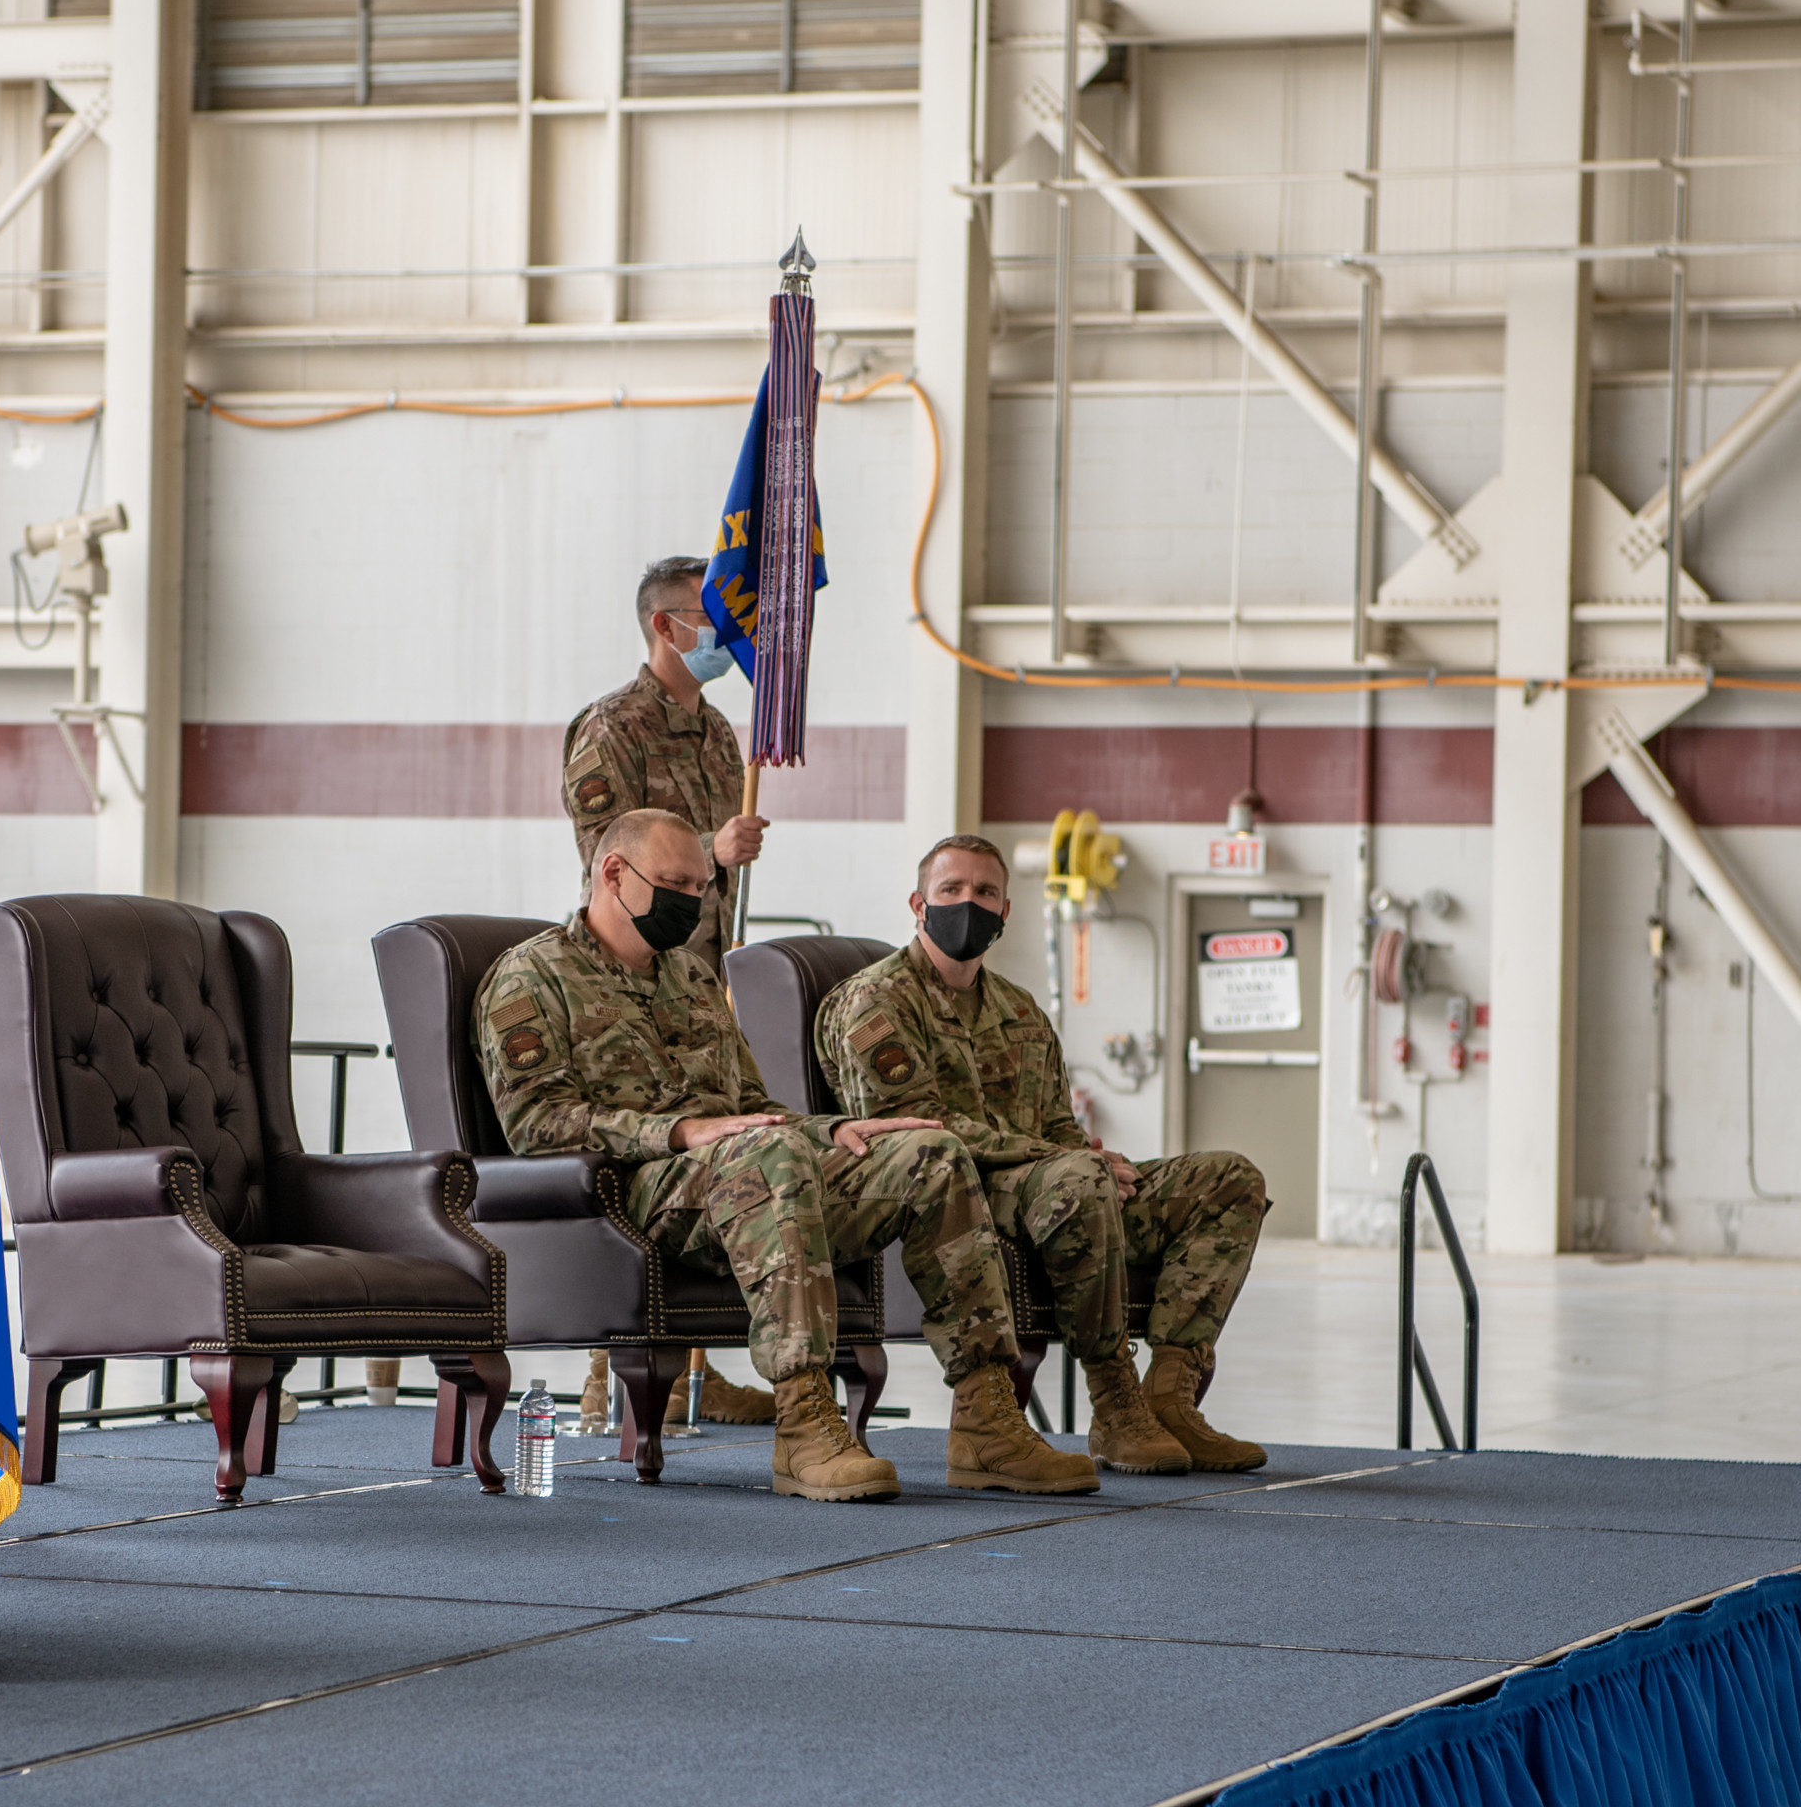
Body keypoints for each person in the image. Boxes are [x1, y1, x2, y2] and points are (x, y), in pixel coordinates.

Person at [472, 808, 1096, 1500]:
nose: (692, 900)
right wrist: (675, 1133)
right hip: (634, 1192)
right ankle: (804, 1423)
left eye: (702, 886)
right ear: (613, 872)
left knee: (930, 1154)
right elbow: (536, 1123)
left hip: (749, 1168)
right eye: (675, 881)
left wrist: (826, 1133)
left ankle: (985, 1420)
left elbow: (752, 1106)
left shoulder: (695, 979)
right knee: (767, 1155)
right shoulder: (531, 977)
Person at [813, 835, 1270, 1474]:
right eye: (951, 890)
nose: (967, 903)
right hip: (952, 1196)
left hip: (1056, 1190)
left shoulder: (1019, 1010)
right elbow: (908, 1130)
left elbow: (1058, 1122)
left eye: (984, 893)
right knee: (1079, 1175)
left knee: (1228, 1178)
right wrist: (1070, 1161)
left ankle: (1169, 1398)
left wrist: (1092, 1160)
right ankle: (1114, 1402)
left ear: (1005, 913)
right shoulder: (876, 1002)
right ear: (918, 904)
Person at [559, 557, 773, 1434]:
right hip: (627, 974)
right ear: (664, 625)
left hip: (701, 970)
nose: (728, 632)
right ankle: (606, 1373)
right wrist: (713, 853)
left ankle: (697, 1365)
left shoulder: (720, 733)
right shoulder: (611, 727)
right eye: (711, 615)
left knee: (715, 1147)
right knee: (634, 1161)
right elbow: (605, 848)